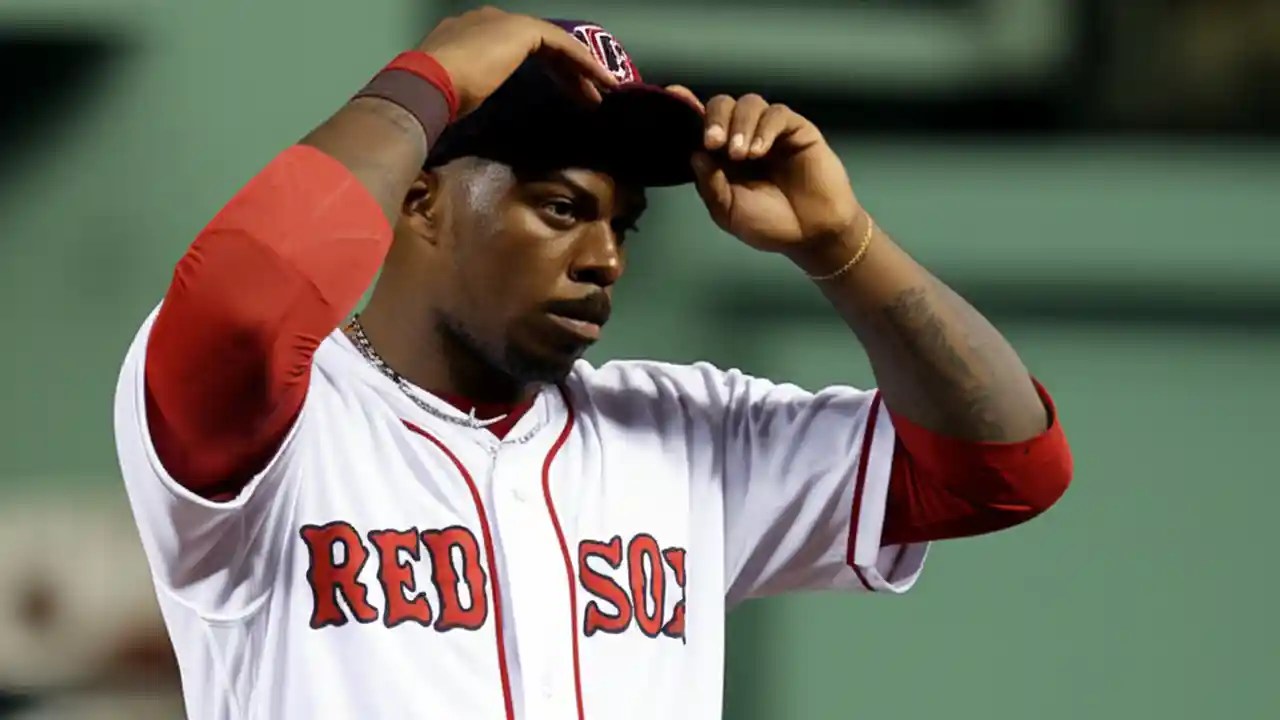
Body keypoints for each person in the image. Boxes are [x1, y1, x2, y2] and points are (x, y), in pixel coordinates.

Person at [113, 8, 1072, 719]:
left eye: (623, 223)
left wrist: (842, 243)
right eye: (563, 208)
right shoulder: (288, 422)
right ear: (418, 199)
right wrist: (428, 80)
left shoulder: (687, 433)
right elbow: (243, 304)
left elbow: (1004, 467)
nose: (605, 256)